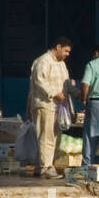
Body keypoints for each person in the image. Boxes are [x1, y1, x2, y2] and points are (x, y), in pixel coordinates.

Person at [29, 36, 72, 179]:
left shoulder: (61, 64)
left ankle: (40, 165)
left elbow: (66, 84)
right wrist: (54, 93)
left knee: (53, 137)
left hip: (58, 107)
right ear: (58, 47)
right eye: (66, 51)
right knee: (46, 136)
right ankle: (46, 167)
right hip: (44, 104)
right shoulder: (43, 61)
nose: (67, 54)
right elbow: (39, 81)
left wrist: (76, 93)